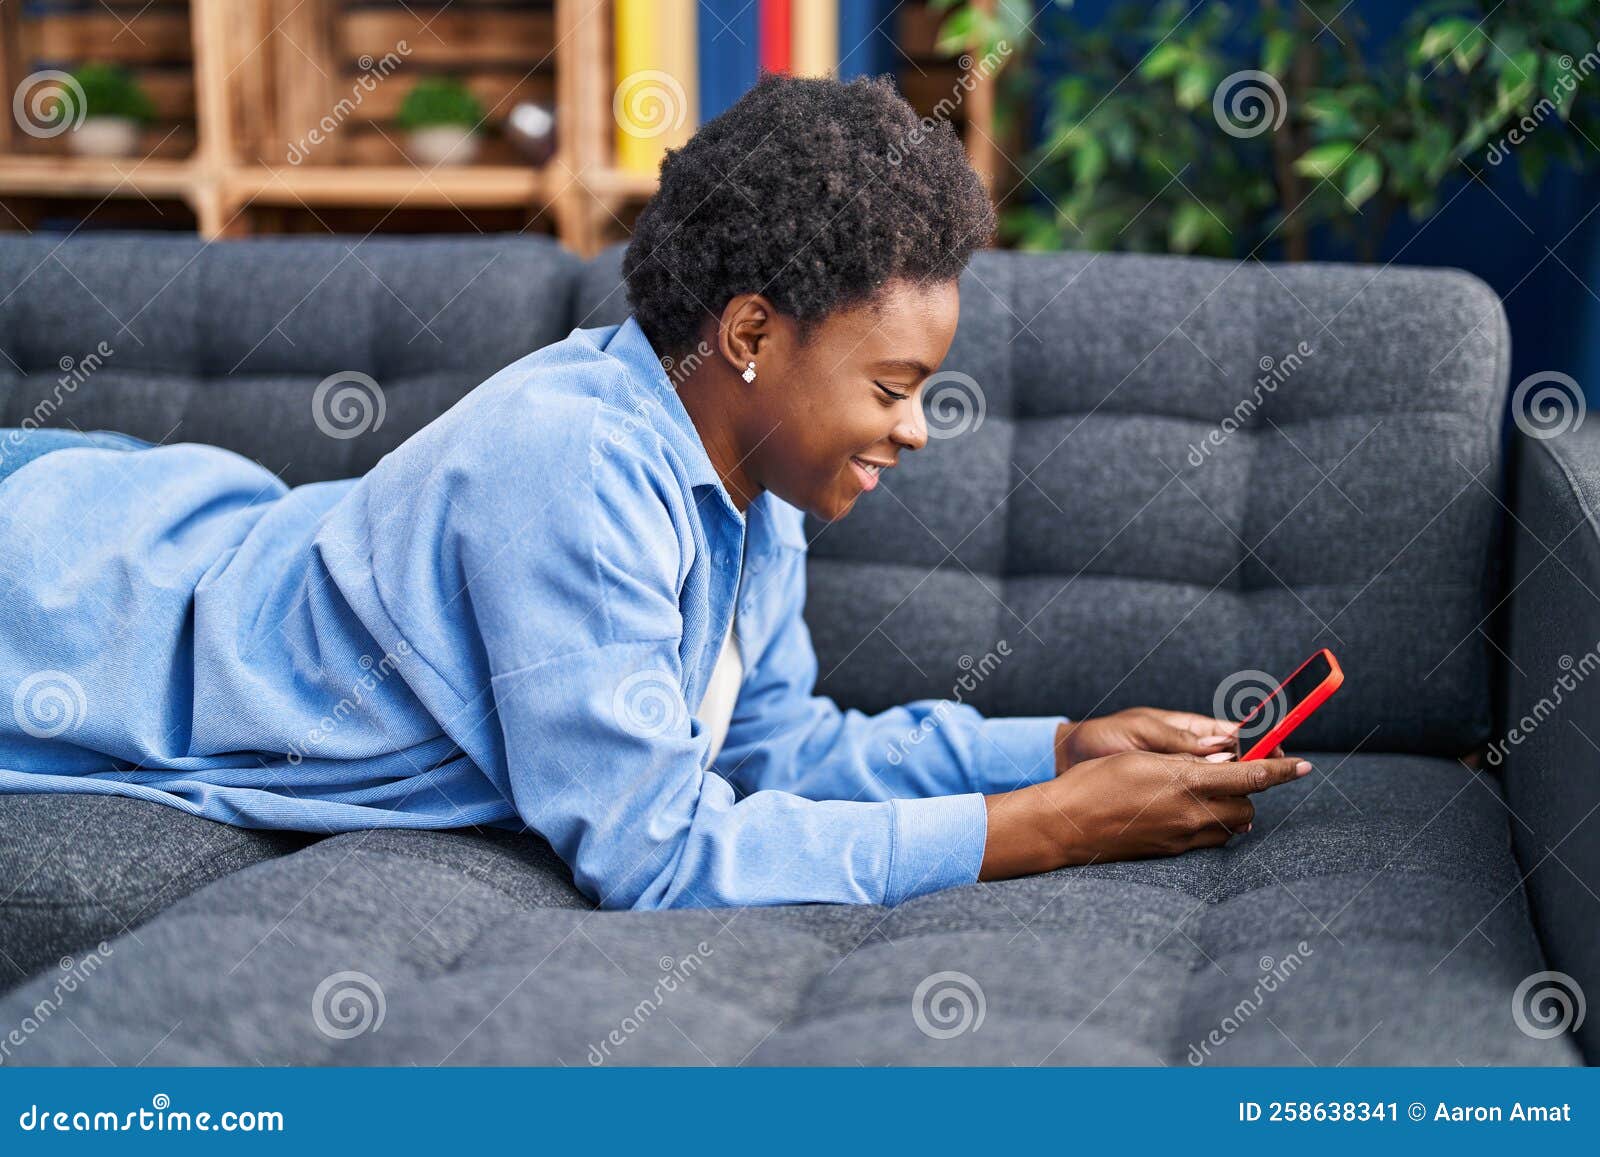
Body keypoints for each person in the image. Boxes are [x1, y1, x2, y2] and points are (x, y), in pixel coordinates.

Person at [0, 74, 1307, 911]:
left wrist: (1061, 746)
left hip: (176, 527)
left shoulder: (758, 489)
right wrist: (1043, 830)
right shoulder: (572, 467)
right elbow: (657, 850)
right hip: (76, 588)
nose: (915, 429)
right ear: (751, 335)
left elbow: (776, 753)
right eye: (893, 385)